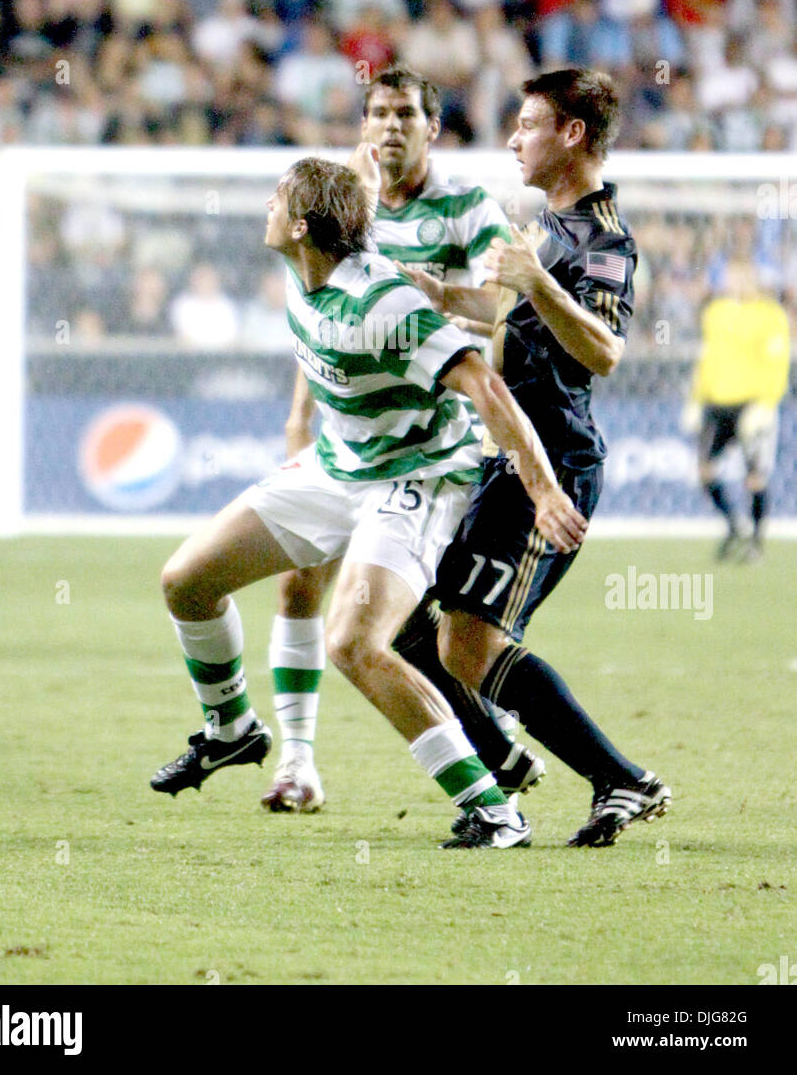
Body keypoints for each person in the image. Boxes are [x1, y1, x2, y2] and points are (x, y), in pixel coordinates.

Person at [150, 148, 587, 850]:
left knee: (353, 642)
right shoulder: (302, 269)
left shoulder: (382, 303)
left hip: (416, 476)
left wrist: (542, 489)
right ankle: (232, 729)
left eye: (277, 197)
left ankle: (494, 812)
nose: (267, 205)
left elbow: (485, 387)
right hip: (338, 465)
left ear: (301, 225)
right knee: (186, 581)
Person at [401, 69, 671, 848]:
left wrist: (539, 282)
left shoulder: (603, 237)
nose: (513, 139)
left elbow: (605, 349)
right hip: (505, 459)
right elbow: (511, 308)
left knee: (467, 640)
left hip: (552, 462)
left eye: (527, 125)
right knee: (409, 611)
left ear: (572, 134)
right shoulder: (549, 226)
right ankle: (505, 762)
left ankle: (614, 779)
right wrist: (443, 294)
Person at [263, 64, 536, 815]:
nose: (391, 126)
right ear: (363, 124)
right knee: (303, 580)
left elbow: (507, 304)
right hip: (351, 434)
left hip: (436, 435)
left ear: (432, 127)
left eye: (406, 114)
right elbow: (319, 317)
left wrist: (440, 296)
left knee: (410, 618)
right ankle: (297, 761)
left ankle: (492, 741)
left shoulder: (466, 207)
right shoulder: (343, 203)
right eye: (379, 112)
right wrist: (299, 421)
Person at [686, 260, 789, 560]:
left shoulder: (770, 315)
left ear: (754, 280)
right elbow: (707, 358)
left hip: (752, 404)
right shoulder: (716, 313)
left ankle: (756, 541)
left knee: (754, 476)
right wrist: (696, 398)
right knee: (705, 471)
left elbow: (777, 364)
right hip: (717, 404)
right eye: (730, 277)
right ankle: (734, 525)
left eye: (741, 277)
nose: (734, 283)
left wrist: (766, 404)